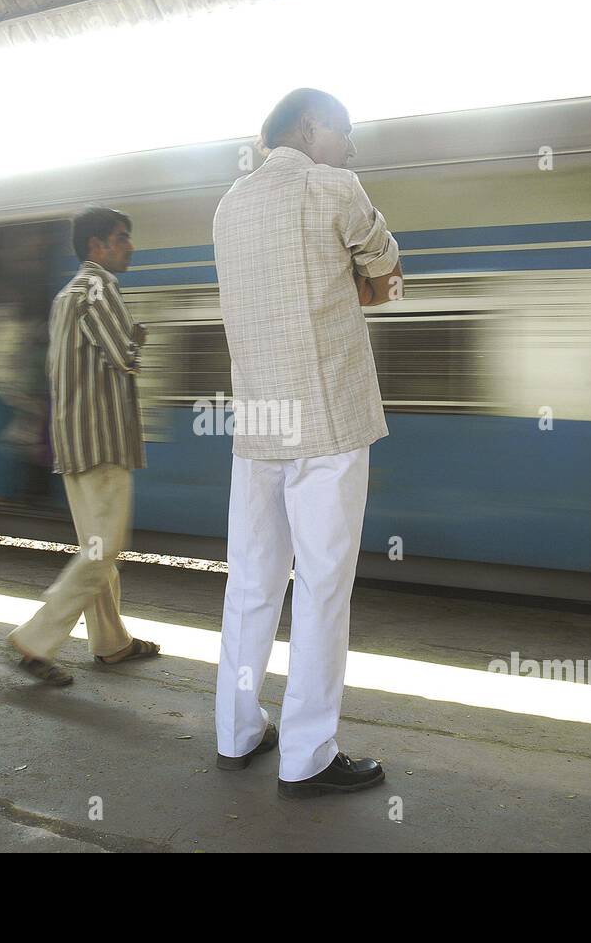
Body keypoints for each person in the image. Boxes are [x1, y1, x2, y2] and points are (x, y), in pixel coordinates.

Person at [212, 89, 403, 798]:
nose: (350, 145)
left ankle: (236, 732)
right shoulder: (333, 185)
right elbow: (385, 263)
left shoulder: (230, 204)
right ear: (311, 125)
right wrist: (366, 278)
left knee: (253, 583)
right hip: (327, 418)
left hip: (260, 420)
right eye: (344, 129)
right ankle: (307, 755)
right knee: (322, 586)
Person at [6, 208, 161, 685]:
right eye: (122, 238)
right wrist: (142, 332)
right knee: (104, 548)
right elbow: (126, 357)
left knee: (97, 546)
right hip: (103, 442)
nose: (129, 245)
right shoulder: (99, 288)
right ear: (97, 247)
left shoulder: (65, 295)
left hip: (74, 442)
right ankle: (35, 640)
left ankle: (110, 641)